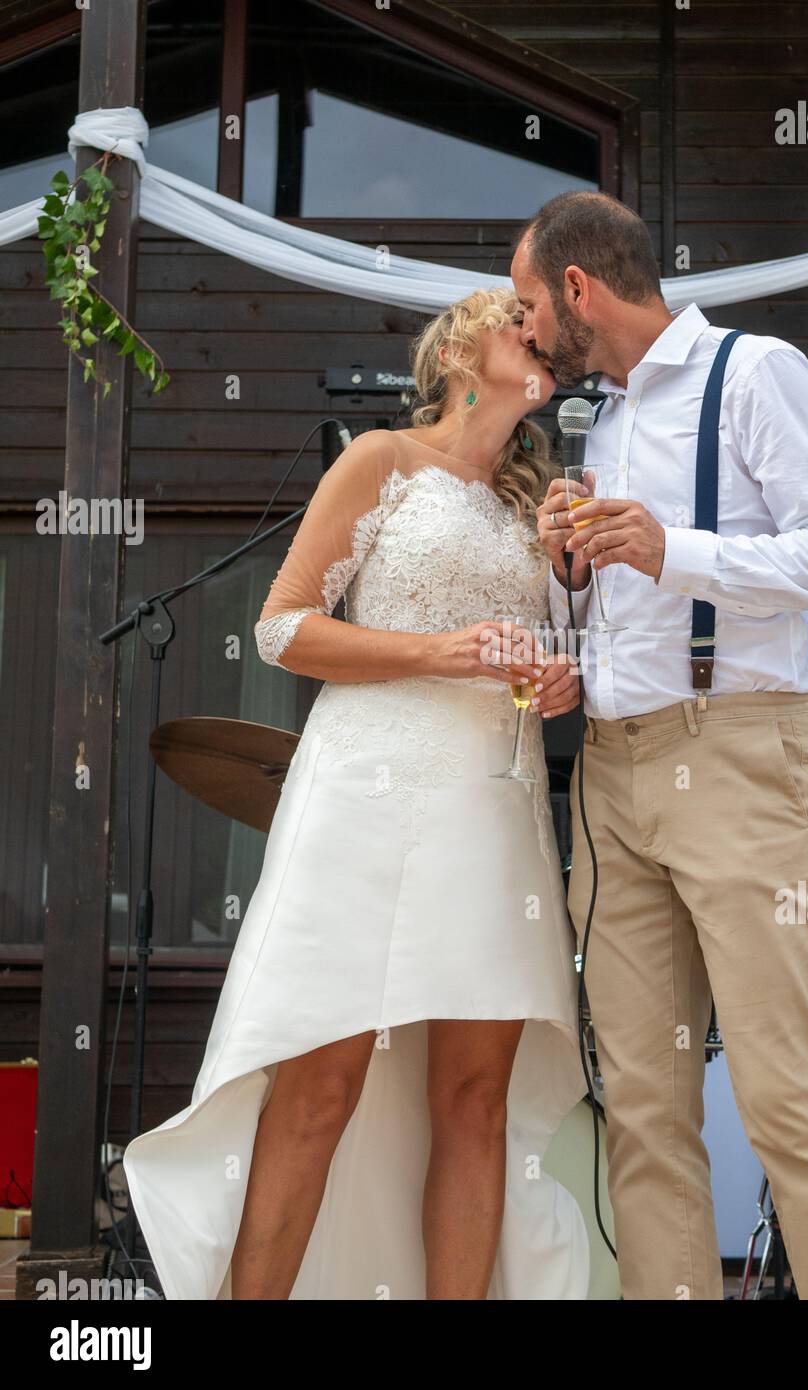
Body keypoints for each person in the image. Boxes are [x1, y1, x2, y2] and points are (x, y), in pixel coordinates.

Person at [122, 287, 591, 1300]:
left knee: (475, 1099)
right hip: (365, 798)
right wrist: (443, 650)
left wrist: (559, 677)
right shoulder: (380, 460)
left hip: (491, 807)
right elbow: (283, 628)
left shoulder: (536, 506)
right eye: (520, 321)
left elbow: (550, 655)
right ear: (464, 350)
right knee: (319, 1079)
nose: (542, 336)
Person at [512, 190, 808, 1300]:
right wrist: (566, 577)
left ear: (581, 289)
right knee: (640, 1104)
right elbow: (620, 622)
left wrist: (677, 549)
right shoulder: (609, 419)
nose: (530, 331)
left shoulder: (755, 372)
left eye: (534, 305)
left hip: (736, 754)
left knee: (782, 1090)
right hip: (614, 770)